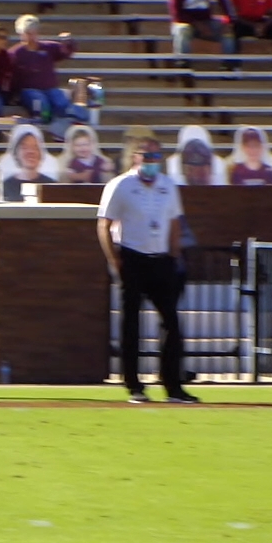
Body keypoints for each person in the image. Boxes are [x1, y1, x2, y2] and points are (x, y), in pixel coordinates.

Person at [96, 138, 200, 404]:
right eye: (147, 156)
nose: (152, 162)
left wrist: (173, 256)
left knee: (171, 323)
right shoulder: (120, 185)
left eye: (156, 157)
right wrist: (114, 260)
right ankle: (134, 385)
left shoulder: (168, 185)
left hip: (161, 259)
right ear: (136, 157)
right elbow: (103, 224)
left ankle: (173, 386)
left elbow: (174, 222)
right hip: (132, 257)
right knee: (131, 323)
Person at [8, 14, 80, 123]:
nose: (32, 37)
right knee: (43, 107)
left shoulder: (48, 47)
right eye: (28, 33)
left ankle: (60, 128)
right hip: (29, 90)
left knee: (62, 104)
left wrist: (69, 42)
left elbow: (66, 52)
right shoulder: (15, 53)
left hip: (50, 89)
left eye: (34, 33)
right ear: (21, 34)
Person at [224, 0, 272, 73]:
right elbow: (233, 13)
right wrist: (254, 26)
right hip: (241, 21)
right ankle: (234, 67)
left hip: (260, 21)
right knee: (232, 32)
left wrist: (263, 26)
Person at [168, 0, 235, 69]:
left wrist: (228, 20)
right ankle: (182, 62)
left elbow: (222, 0)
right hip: (184, 22)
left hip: (206, 22)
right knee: (182, 30)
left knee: (227, 32)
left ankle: (229, 64)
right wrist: (198, 24)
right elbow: (177, 14)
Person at [0, 124, 59, 201]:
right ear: (16, 153)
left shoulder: (51, 184)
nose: (30, 152)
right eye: (24, 147)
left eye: (35, 147)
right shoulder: (6, 185)